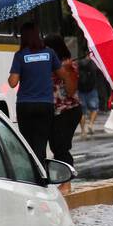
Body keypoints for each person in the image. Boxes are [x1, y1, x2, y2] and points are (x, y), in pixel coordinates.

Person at [8, 22, 56, 160]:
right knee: (41, 143)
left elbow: (12, 83)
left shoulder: (20, 55)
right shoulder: (49, 53)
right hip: (45, 104)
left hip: (25, 104)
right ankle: (42, 175)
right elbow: (62, 74)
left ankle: (31, 176)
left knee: (27, 144)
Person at [45, 34, 81, 166]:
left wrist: (67, 71)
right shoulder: (47, 64)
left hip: (68, 111)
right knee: (55, 146)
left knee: (61, 146)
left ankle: (67, 181)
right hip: (53, 111)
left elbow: (71, 91)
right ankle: (63, 179)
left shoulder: (70, 66)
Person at [76, 51, 102, 138]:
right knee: (94, 109)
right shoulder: (94, 64)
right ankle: (90, 124)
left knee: (82, 112)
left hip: (80, 90)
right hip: (92, 89)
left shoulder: (78, 63)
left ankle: (83, 131)